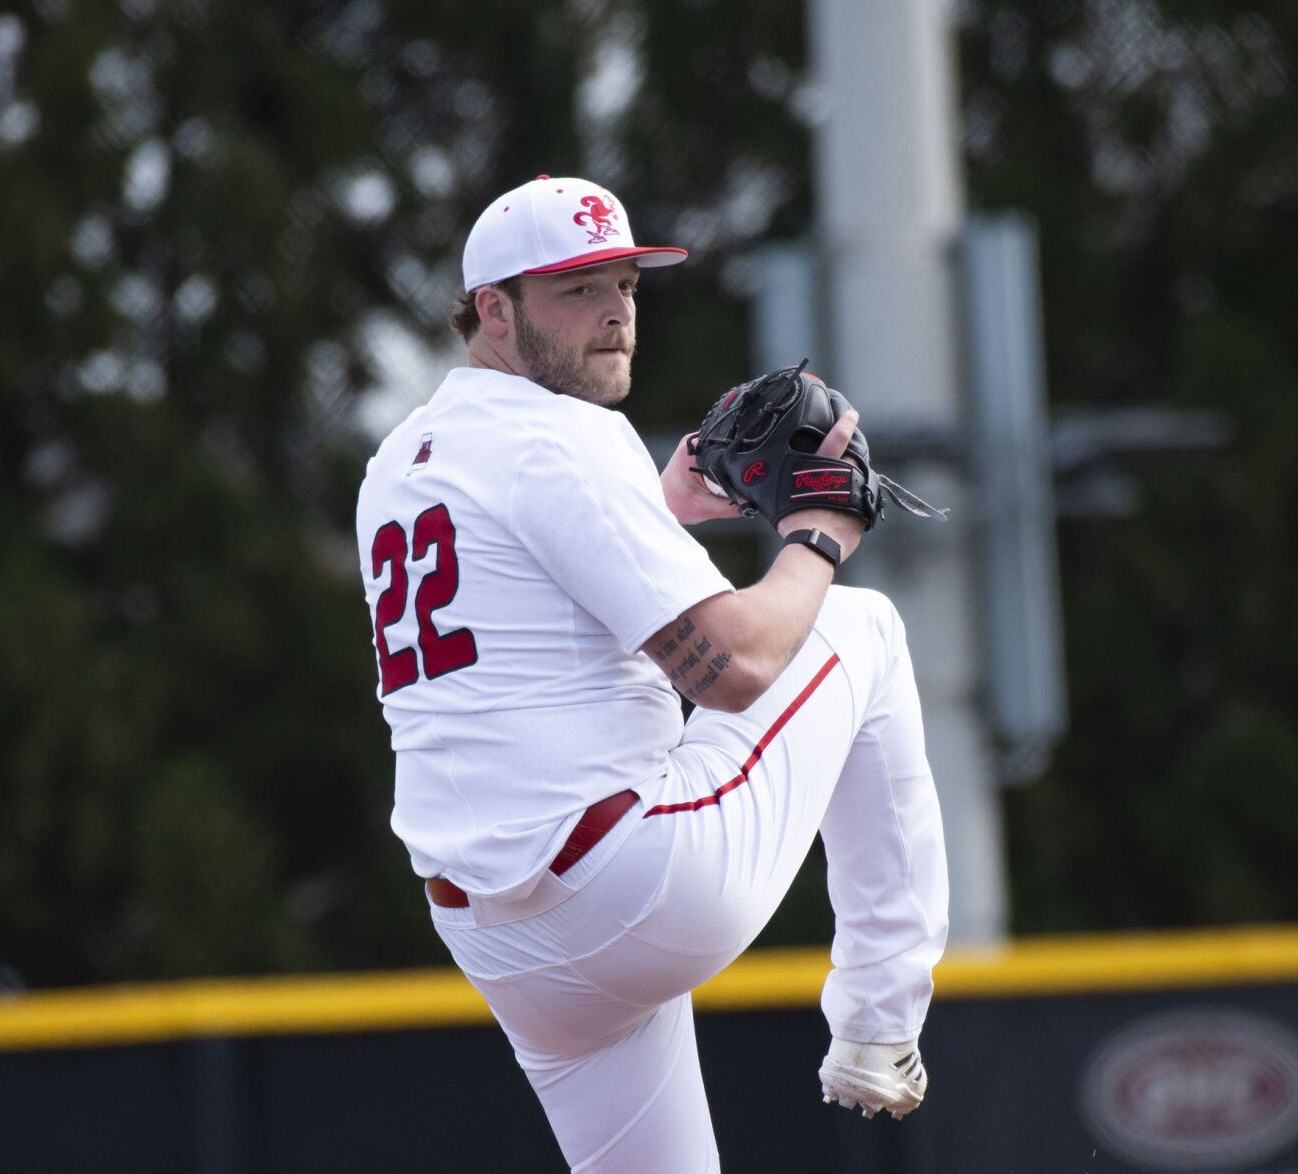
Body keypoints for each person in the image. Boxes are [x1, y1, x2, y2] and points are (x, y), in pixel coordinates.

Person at [355, 174, 949, 1173]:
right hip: (625, 883)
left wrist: (656, 505)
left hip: (497, 939)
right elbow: (737, 667)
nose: (616, 313)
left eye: (626, 285)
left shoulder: (398, 460)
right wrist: (817, 533)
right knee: (864, 627)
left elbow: (528, 594)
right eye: (577, 289)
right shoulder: (558, 438)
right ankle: (877, 1026)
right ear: (492, 310)